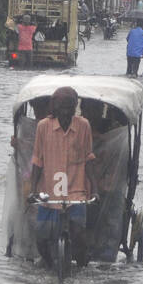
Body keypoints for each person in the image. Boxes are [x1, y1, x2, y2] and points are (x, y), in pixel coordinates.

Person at [29, 86, 96, 267]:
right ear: (55, 108)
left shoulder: (83, 126)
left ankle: (82, 267)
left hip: (76, 190)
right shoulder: (43, 127)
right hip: (49, 191)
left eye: (70, 107)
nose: (66, 112)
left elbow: (88, 158)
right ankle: (49, 262)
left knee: (79, 235)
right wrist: (33, 189)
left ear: (75, 107)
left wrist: (94, 189)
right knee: (41, 237)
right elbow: (37, 161)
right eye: (62, 107)